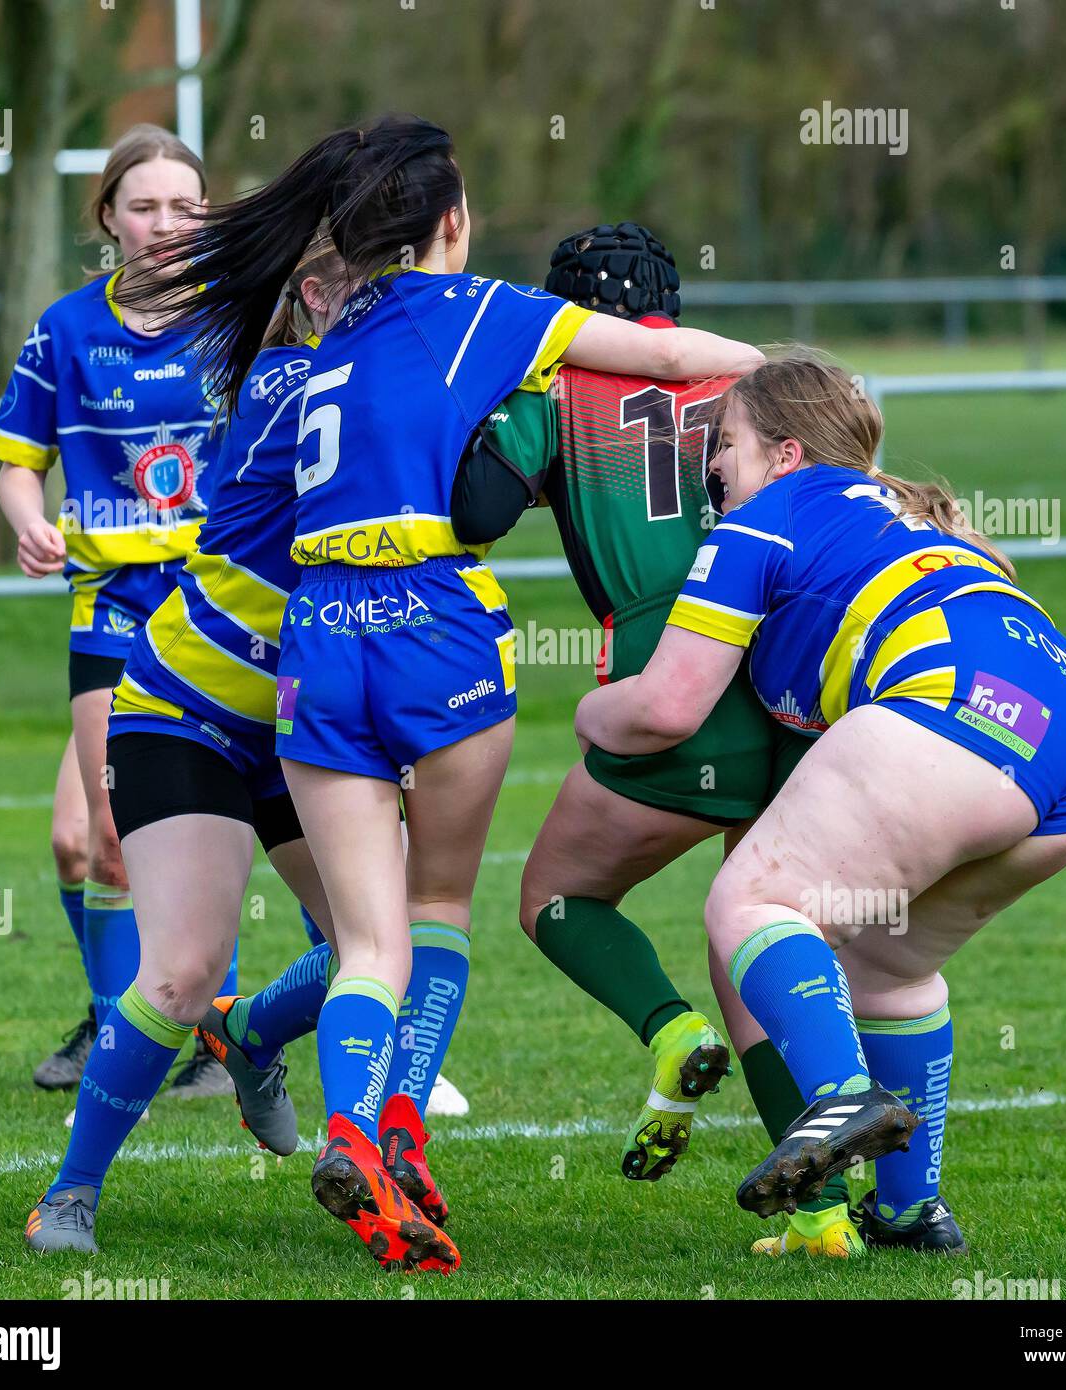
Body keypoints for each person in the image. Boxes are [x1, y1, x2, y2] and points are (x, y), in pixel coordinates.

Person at [130, 114, 764, 1273]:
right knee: (437, 912)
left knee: (363, 941)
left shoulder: (325, 345)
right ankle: (396, 1132)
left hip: (318, 639)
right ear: (450, 225)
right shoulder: (480, 311)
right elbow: (673, 359)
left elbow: (241, 522)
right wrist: (799, 381)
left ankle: (345, 1134)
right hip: (433, 627)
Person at [574, 352, 1066, 1252]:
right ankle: (910, 1210)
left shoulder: (767, 517)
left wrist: (588, 712)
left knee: (748, 903)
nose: (715, 464)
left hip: (953, 707)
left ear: (784, 454)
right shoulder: (910, 514)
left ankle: (839, 1098)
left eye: (730, 442)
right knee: (887, 967)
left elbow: (665, 708)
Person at [451, 223, 858, 1257]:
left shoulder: (558, 386)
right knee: (755, 945)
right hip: (801, 672)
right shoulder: (752, 387)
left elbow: (474, 507)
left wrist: (501, 421)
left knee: (554, 898)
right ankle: (823, 1212)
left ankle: (669, 1030)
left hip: (674, 668)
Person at [0, 124, 236, 1103]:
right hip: (112, 605)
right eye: (143, 205)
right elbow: (18, 461)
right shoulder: (65, 328)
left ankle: (258, 1025)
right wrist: (28, 520)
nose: (165, 222)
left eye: (184, 205)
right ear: (108, 218)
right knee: (90, 836)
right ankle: (123, 1026)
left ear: (206, 214)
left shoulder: (240, 320)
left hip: (220, 608)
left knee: (291, 807)